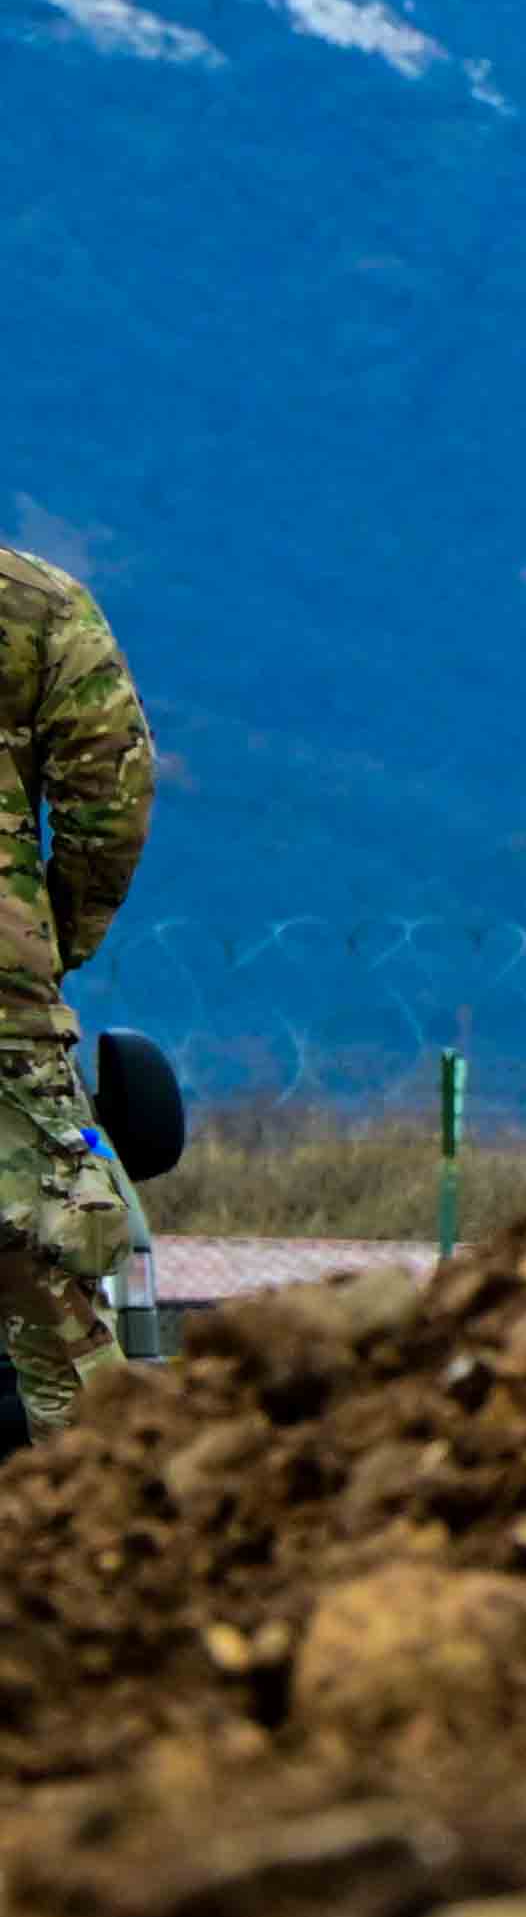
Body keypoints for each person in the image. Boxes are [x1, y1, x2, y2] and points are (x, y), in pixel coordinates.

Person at [0, 543, 147, 1446]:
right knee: (53, 1305)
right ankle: (110, 1515)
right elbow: (109, 793)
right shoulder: (35, 602)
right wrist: (49, 937)